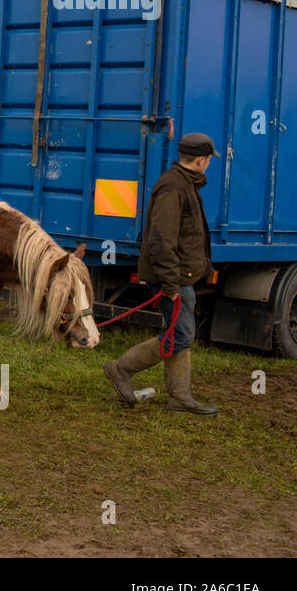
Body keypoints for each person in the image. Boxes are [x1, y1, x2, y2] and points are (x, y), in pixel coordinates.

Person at [103, 132, 219, 415]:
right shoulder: (173, 187)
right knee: (180, 335)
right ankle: (120, 369)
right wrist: (171, 284)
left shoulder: (185, 184)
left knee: (179, 333)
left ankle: (180, 398)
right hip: (174, 279)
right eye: (209, 160)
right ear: (202, 160)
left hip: (181, 277)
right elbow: (160, 240)